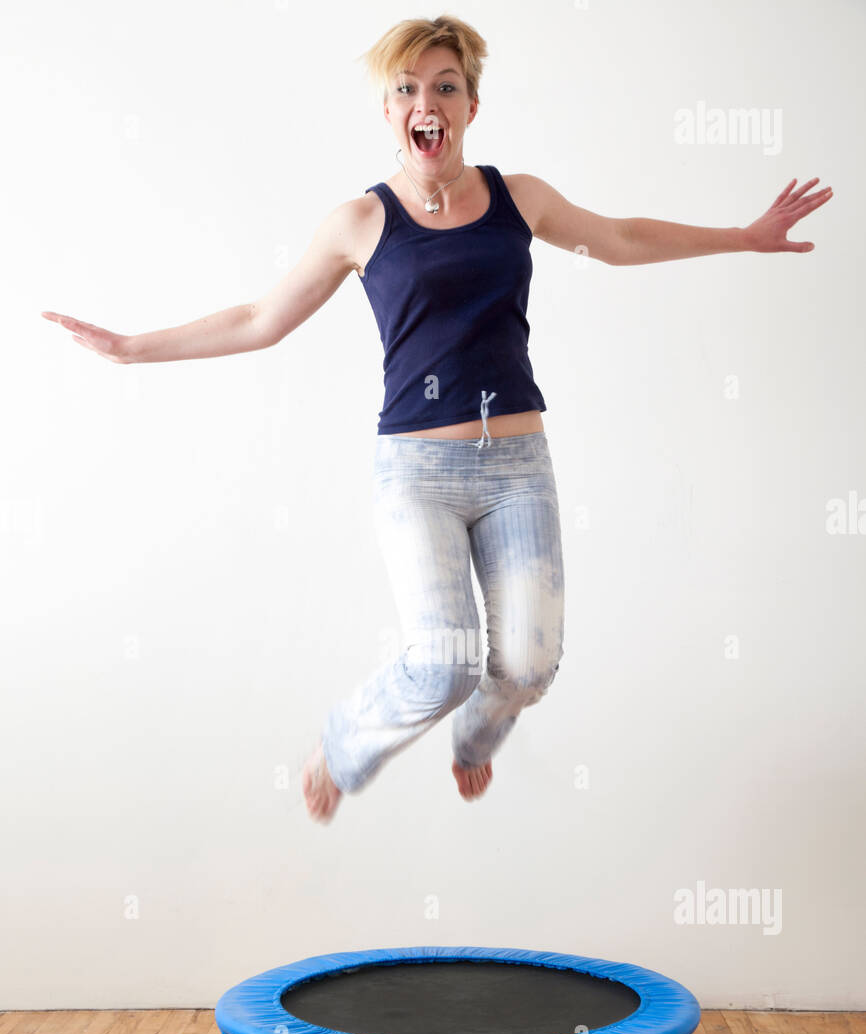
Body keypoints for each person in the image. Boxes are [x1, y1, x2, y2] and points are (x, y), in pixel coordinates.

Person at [42, 14, 832, 826]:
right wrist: (136, 348)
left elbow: (621, 239)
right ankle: (343, 746)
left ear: (470, 107)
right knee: (444, 662)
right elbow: (258, 318)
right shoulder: (360, 223)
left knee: (527, 668)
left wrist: (744, 236)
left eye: (445, 87)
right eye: (408, 90)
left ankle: (476, 741)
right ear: (390, 113)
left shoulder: (518, 199)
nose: (428, 102)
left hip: (518, 466)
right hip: (417, 475)